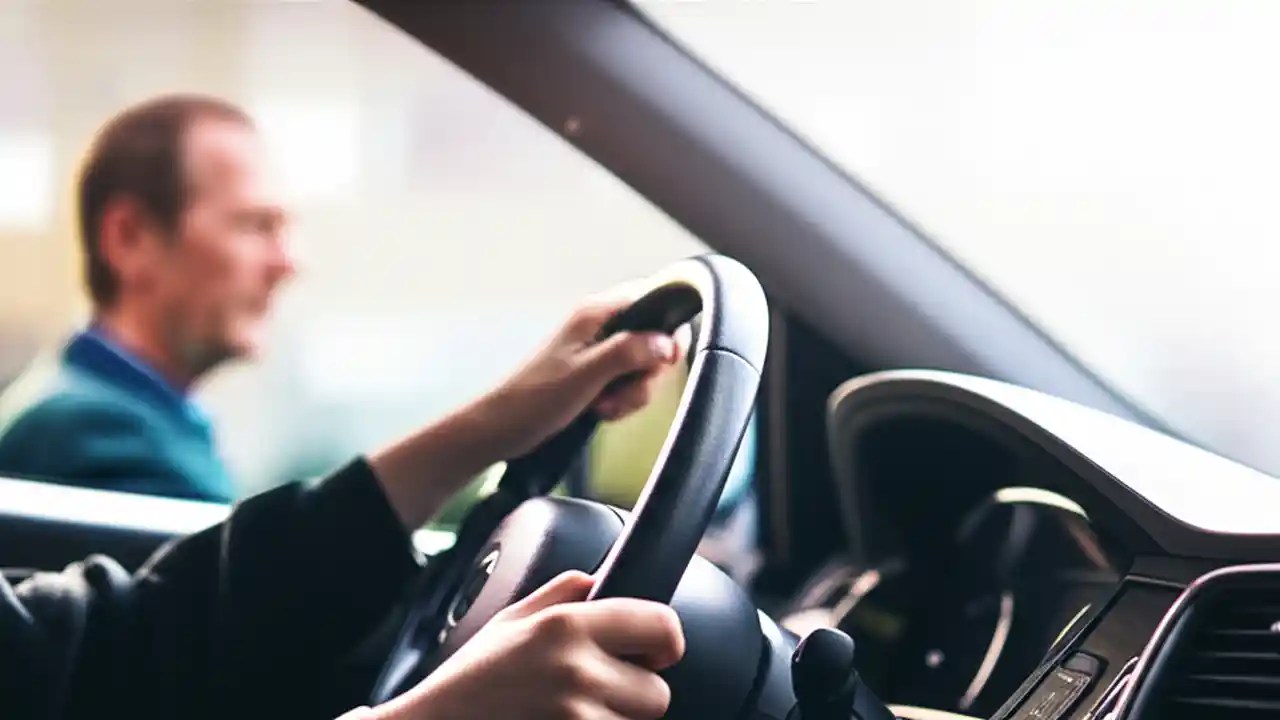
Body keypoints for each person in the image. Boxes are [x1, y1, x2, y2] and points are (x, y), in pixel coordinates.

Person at [0, 95, 687, 719]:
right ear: (128, 239)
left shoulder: (105, 412)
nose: (288, 262)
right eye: (254, 225)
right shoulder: (92, 434)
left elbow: (143, 637)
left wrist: (497, 423)